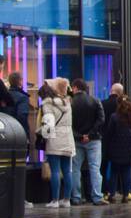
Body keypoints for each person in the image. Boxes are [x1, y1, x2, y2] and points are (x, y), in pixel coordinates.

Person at [38, 78, 75, 208]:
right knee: (67, 171)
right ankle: (67, 200)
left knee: (54, 171)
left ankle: (54, 200)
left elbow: (48, 125)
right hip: (68, 138)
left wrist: (42, 135)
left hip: (54, 139)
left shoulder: (48, 103)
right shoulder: (68, 103)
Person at [69, 78, 106, 206]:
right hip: (94, 140)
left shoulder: (70, 103)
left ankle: (76, 197)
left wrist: (80, 136)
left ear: (75, 87)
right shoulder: (95, 101)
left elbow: (69, 123)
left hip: (76, 140)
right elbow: (101, 119)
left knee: (75, 169)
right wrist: (89, 135)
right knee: (95, 168)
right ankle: (96, 196)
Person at [102, 97, 131, 202]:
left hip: (116, 148)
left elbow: (109, 133)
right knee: (127, 171)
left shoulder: (114, 117)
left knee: (114, 172)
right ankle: (126, 194)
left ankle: (112, 194)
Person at [102, 83, 124, 200]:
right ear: (120, 93)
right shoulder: (122, 105)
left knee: (103, 166)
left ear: (111, 91)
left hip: (105, 139)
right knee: (119, 166)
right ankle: (121, 190)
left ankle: (104, 191)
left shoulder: (102, 103)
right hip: (119, 140)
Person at [1, 72, 29, 138]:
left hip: (4, 131)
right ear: (20, 81)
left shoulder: (3, 96)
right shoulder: (23, 97)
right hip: (18, 133)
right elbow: (22, 117)